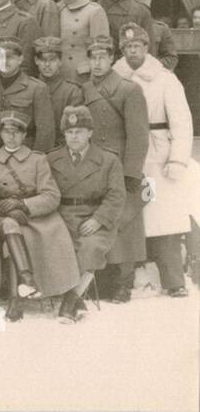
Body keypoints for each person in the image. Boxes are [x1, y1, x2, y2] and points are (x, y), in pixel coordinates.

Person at [0, 111, 80, 322]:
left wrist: (23, 204)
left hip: (34, 217)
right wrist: (1, 208)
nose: (11, 136)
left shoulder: (38, 160)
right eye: (7, 131)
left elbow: (51, 196)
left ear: (24, 135)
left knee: (19, 234)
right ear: (1, 134)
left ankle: (18, 296)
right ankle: (23, 287)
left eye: (17, 132)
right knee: (10, 225)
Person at [113, 23, 193, 297]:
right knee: (133, 216)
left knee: (165, 217)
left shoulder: (164, 78)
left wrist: (178, 159)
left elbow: (182, 121)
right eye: (127, 47)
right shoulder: (115, 76)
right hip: (129, 154)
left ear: (147, 48)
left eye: (137, 46)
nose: (132, 51)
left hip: (158, 152)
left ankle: (174, 280)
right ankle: (133, 276)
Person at [83, 34, 149, 303]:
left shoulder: (129, 89)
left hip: (120, 166)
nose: (97, 62)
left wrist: (132, 172)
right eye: (93, 57)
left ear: (112, 58)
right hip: (95, 168)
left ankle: (124, 281)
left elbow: (138, 135)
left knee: (125, 225)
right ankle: (102, 278)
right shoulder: (84, 89)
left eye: (102, 57)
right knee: (99, 221)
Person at [49, 105, 127, 323]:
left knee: (90, 247)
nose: (74, 137)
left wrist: (98, 220)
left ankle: (70, 299)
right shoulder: (52, 159)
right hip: (61, 216)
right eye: (69, 132)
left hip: (94, 216)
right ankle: (70, 296)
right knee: (52, 242)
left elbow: (116, 196)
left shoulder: (109, 160)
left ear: (90, 133)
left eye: (79, 132)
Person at [0, 37, 55, 152]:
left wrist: (36, 158)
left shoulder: (37, 88)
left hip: (26, 151)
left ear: (20, 59)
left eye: (10, 57)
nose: (5, 62)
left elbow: (45, 130)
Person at [125, 0, 179, 71]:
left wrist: (150, 65)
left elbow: (171, 58)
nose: (142, 1)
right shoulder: (123, 27)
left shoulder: (161, 29)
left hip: (153, 76)